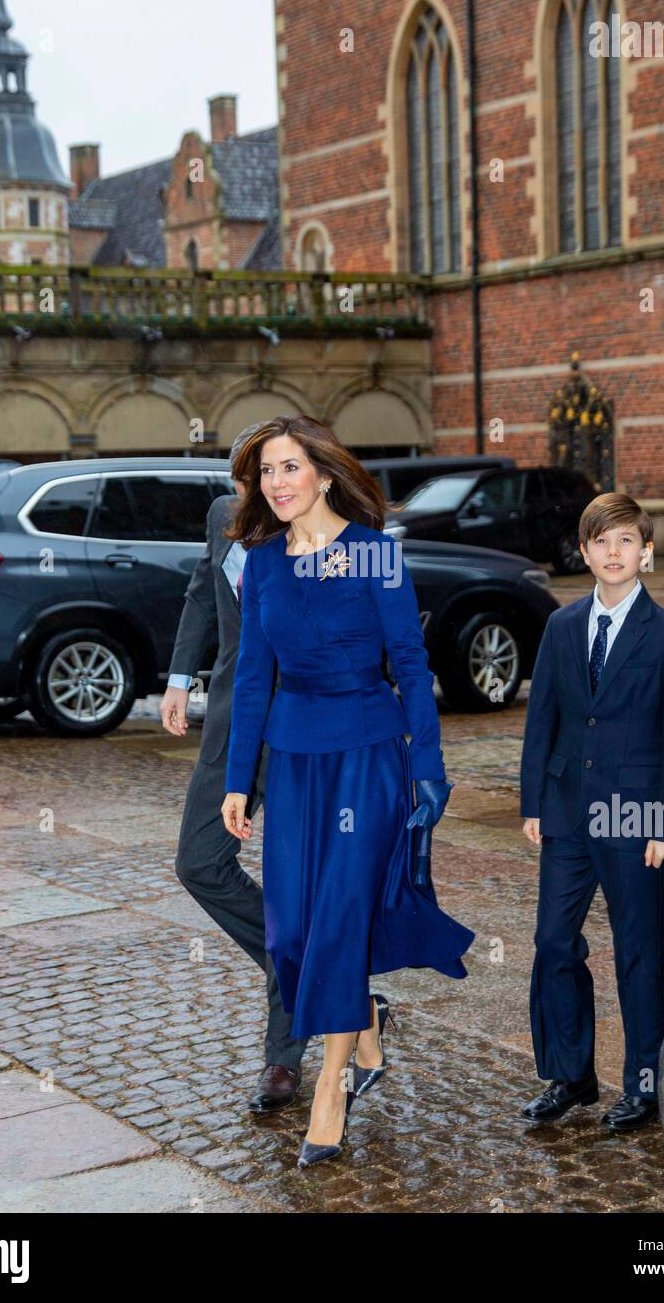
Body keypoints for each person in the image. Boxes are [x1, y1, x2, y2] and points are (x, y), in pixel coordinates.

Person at [220, 415, 474, 1167]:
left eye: (290, 468)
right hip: (294, 759)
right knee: (291, 932)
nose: (277, 483)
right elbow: (251, 676)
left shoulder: (375, 557)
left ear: (325, 475)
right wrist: (241, 781)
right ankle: (361, 1018)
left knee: (336, 920)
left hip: (367, 753)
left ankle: (332, 1086)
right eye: (267, 472)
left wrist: (428, 765)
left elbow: (410, 662)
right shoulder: (260, 560)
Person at [519, 491, 664, 1131]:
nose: (614, 552)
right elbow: (542, 716)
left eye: (626, 540)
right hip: (568, 813)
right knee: (552, 942)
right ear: (586, 551)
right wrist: (534, 801)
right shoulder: (562, 627)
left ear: (646, 553)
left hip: (636, 821)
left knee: (638, 955)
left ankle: (645, 1088)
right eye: (601, 541)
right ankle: (571, 1077)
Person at [163, 424, 308, 1114]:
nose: (268, 490)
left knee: (287, 886)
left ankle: (282, 1060)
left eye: (281, 474)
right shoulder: (224, 518)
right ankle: (314, 975)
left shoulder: (318, 533)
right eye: (254, 479)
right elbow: (201, 593)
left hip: (300, 732)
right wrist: (176, 677)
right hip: (230, 722)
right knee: (199, 862)